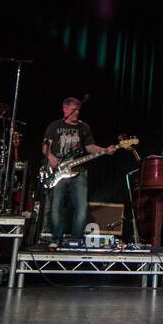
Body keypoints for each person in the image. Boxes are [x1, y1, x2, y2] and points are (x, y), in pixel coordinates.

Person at [41, 97, 116, 239]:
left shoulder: (83, 127)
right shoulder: (54, 126)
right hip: (58, 171)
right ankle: (56, 239)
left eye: (78, 110)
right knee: (56, 207)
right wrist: (51, 157)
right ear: (65, 109)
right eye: (74, 110)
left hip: (79, 171)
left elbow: (89, 147)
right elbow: (45, 146)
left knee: (81, 208)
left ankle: (76, 241)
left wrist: (105, 150)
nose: (77, 113)